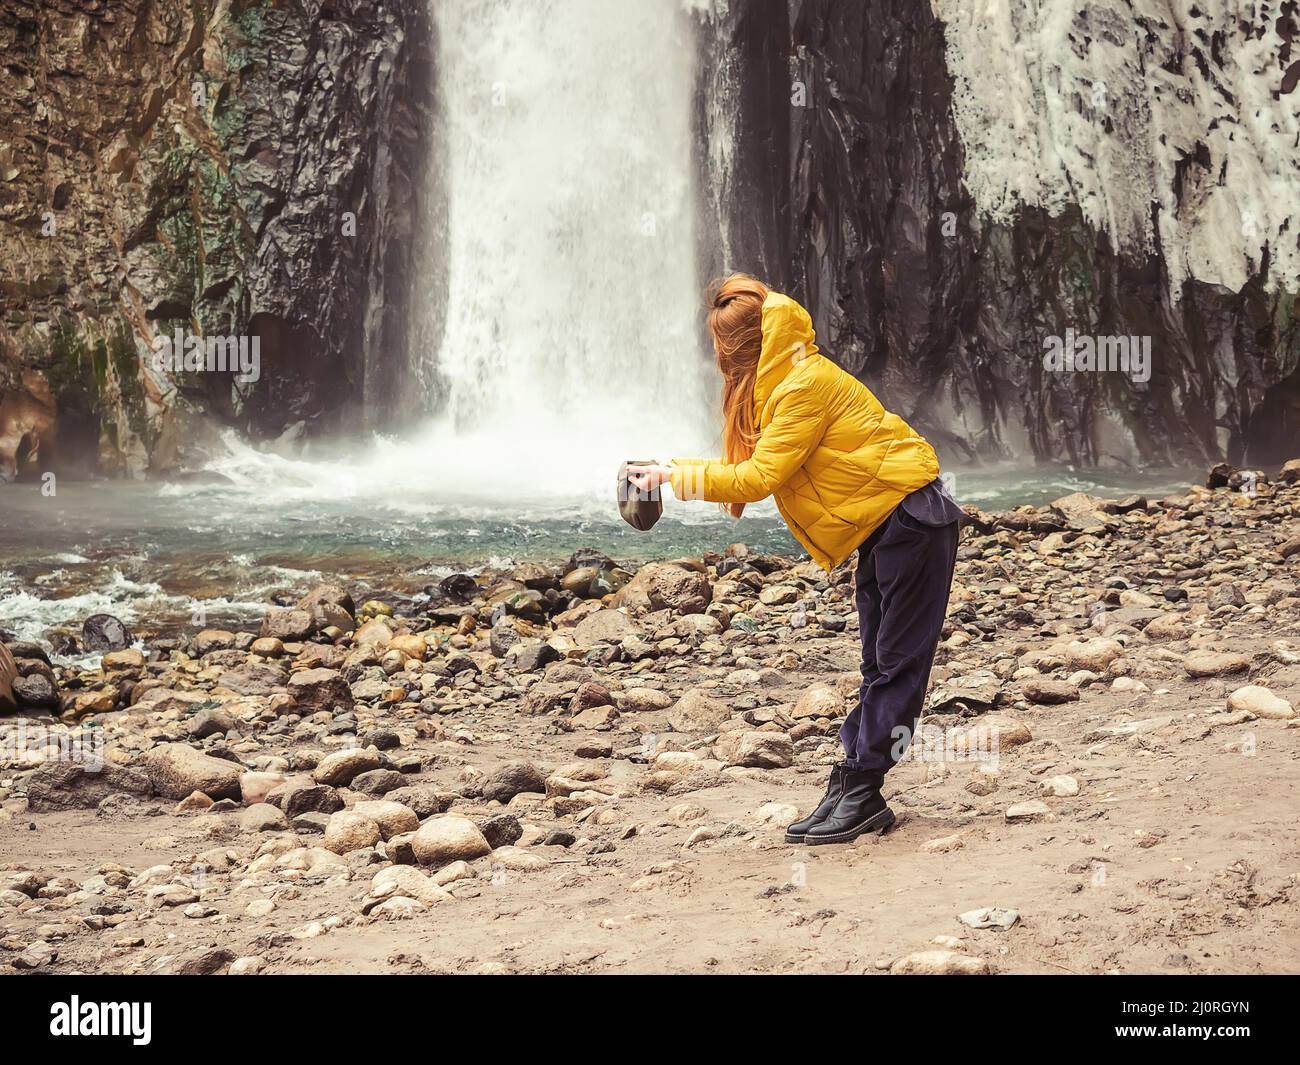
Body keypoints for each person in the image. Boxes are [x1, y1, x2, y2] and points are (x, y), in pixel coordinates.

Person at [628, 274, 963, 845]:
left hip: (913, 519)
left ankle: (861, 787)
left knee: (896, 666)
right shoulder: (781, 383)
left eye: (720, 350)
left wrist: (670, 477)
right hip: (886, 528)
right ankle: (853, 783)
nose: (717, 362)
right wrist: (673, 471)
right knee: (878, 664)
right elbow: (758, 467)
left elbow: (760, 477)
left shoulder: (802, 385)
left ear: (741, 350)